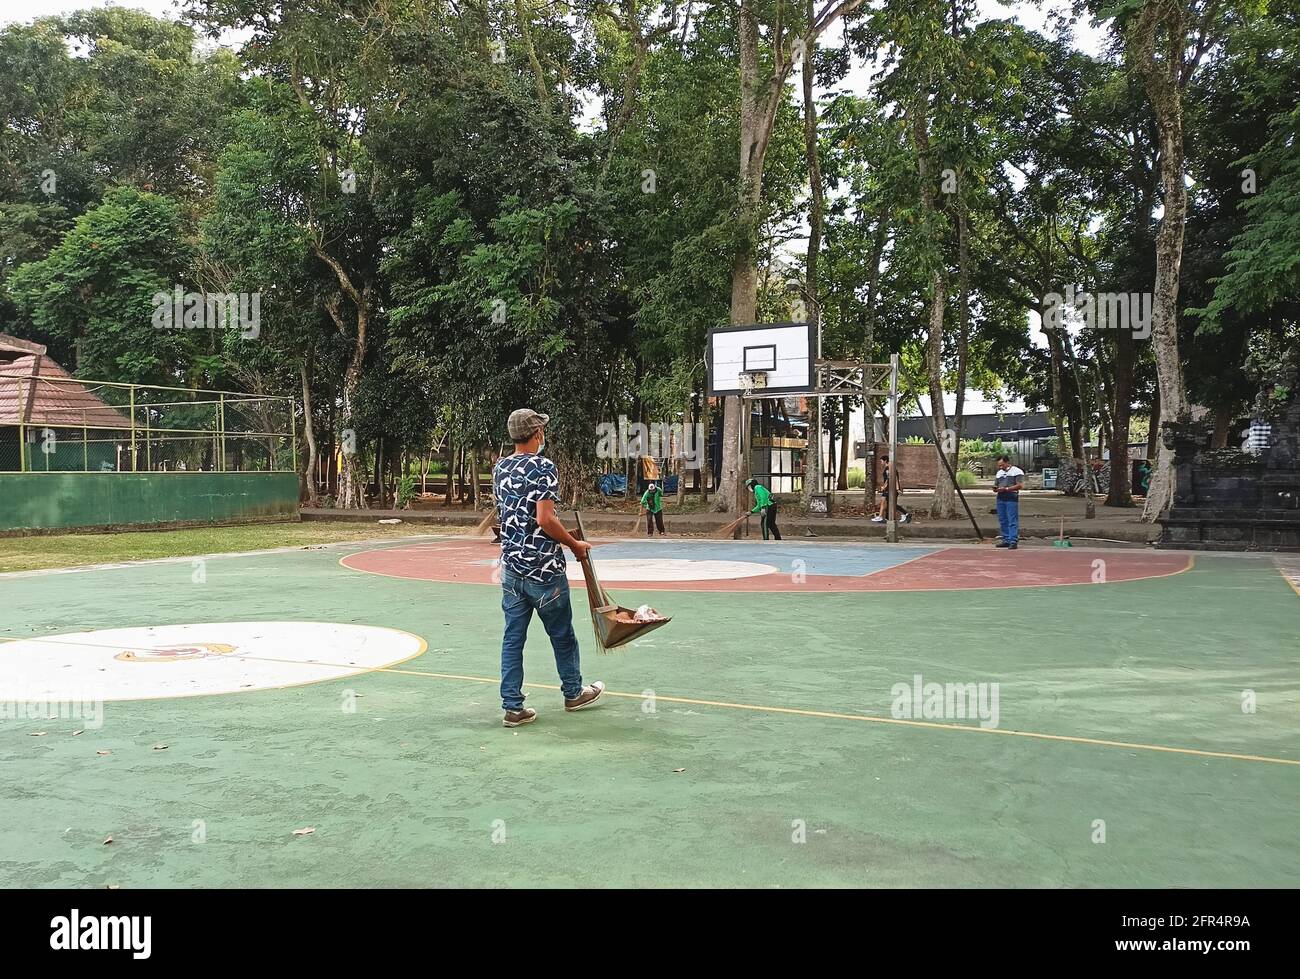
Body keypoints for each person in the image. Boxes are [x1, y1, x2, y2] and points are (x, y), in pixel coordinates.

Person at [493, 408, 604, 727]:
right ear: (537, 433)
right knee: (562, 634)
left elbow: (506, 515)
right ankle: (573, 692)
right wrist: (574, 544)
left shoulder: (500, 468)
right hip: (544, 570)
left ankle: (512, 707)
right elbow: (544, 518)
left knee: (513, 637)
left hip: (512, 568)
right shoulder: (543, 467)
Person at [993, 454, 1025, 549]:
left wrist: (1007, 488)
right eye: (999, 465)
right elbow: (996, 484)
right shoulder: (999, 473)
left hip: (1011, 497)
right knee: (1003, 519)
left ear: (1007, 462)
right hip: (1001, 497)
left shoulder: (1017, 471)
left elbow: (1020, 485)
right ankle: (1006, 539)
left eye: (1002, 465)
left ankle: (1013, 540)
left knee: (1012, 519)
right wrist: (996, 489)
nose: (1000, 467)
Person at [871, 458, 911, 523]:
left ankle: (905, 514)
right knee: (885, 502)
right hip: (889, 489)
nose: (881, 463)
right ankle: (885, 517)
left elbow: (891, 479)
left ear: (885, 461)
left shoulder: (888, 469)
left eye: (881, 461)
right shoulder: (889, 469)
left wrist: (895, 488)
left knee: (890, 504)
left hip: (890, 489)